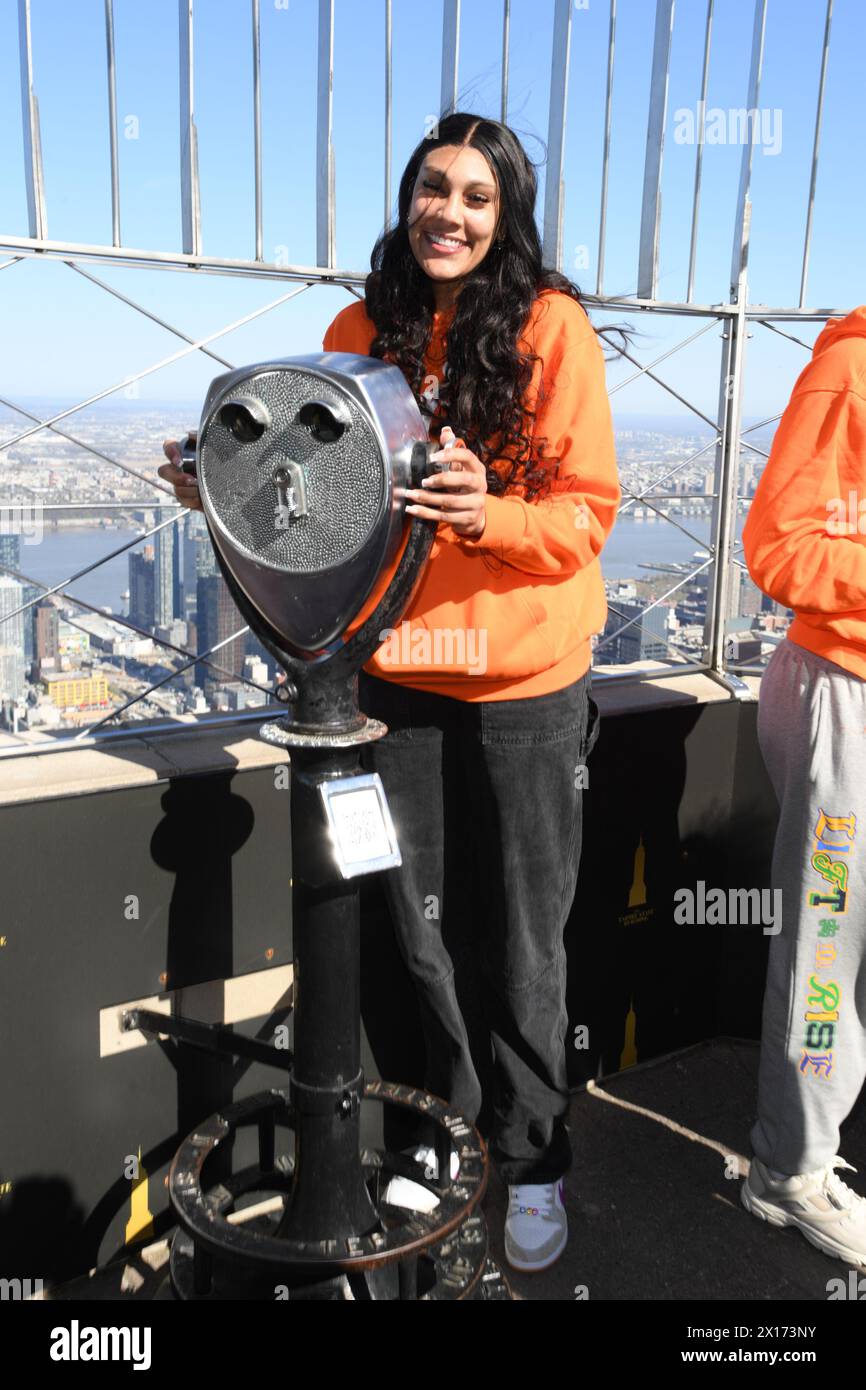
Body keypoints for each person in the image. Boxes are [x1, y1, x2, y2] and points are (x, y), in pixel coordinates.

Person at [161, 111, 621, 1273]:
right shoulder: (356, 328)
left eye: (475, 195)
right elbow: (314, 506)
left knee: (518, 944)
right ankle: (433, 1129)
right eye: (432, 188)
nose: (448, 213)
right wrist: (223, 482)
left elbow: (584, 513)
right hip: (395, 675)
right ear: (406, 196)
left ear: (504, 211)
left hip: (522, 683)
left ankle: (528, 1156)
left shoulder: (552, 328)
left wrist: (490, 515)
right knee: (411, 934)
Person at [741, 304, 866, 1270]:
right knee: (827, 951)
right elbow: (778, 546)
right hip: (846, 695)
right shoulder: (850, 367)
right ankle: (788, 1172)